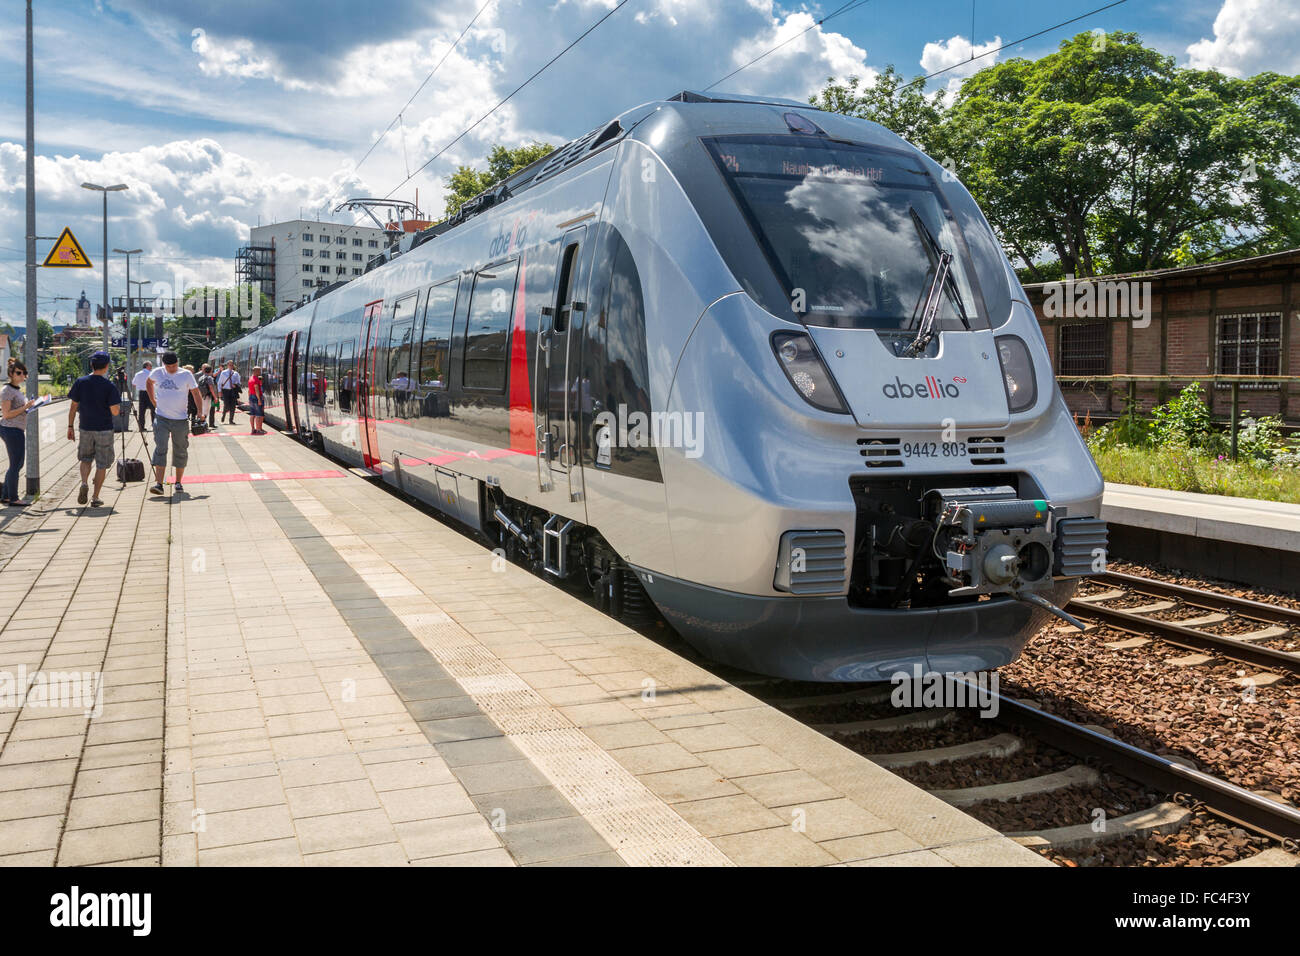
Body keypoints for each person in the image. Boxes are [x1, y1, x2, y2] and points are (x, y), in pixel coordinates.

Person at [67, 351, 122, 507]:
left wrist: (70, 426)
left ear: (92, 364)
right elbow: (115, 411)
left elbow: (73, 407)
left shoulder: (80, 382)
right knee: (102, 464)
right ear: (106, 367)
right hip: (104, 429)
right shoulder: (109, 386)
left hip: (85, 427)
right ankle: (95, 497)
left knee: (85, 459)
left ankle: (84, 482)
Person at [146, 351, 203, 496]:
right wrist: (153, 400)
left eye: (174, 365)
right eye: (169, 366)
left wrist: (200, 411)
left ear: (178, 362)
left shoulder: (185, 374)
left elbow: (196, 393)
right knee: (161, 447)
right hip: (161, 417)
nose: (172, 368)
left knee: (180, 449)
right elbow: (149, 382)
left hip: (180, 419)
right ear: (164, 364)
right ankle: (159, 484)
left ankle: (178, 482)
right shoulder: (157, 372)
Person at [0, 358, 36, 507]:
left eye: (24, 373)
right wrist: (25, 407)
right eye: (19, 373)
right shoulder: (7, 390)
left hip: (16, 428)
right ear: (11, 373)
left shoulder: (16, 389)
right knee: (16, 464)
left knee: (17, 463)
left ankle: (7, 496)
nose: (23, 376)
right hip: (11, 429)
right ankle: (14, 498)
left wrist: (29, 407)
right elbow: (7, 414)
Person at [132, 361, 155, 432]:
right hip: (150, 392)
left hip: (141, 393)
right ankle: (155, 426)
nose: (151, 367)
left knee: (141, 411)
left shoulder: (138, 374)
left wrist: (141, 385)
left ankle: (141, 427)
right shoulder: (151, 374)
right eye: (150, 366)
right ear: (147, 366)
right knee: (153, 410)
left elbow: (134, 383)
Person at [217, 360, 241, 424]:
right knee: (226, 405)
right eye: (230, 365)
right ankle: (224, 414)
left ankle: (231, 420)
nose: (231, 366)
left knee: (233, 406)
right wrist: (219, 391)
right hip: (225, 391)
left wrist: (235, 385)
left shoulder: (236, 374)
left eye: (232, 365)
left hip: (233, 391)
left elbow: (239, 383)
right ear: (227, 365)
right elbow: (219, 383)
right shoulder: (223, 373)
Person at [248, 365, 266, 434]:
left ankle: (253, 429)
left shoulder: (250, 378)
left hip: (251, 397)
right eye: (259, 370)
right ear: (255, 371)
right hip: (256, 397)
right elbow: (256, 390)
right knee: (259, 414)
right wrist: (259, 399)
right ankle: (259, 429)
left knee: (252, 414)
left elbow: (249, 390)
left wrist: (249, 398)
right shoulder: (255, 379)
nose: (260, 372)